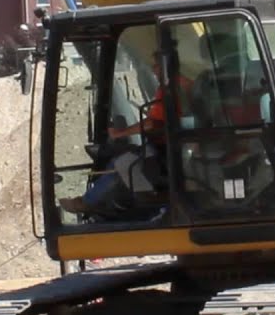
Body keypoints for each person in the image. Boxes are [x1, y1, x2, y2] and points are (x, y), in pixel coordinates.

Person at [60, 56, 191, 217]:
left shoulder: (170, 90)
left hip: (169, 147)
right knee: (122, 160)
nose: (153, 69)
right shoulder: (181, 85)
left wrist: (120, 133)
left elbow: (153, 124)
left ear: (166, 65)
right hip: (173, 143)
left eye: (156, 65)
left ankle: (92, 203)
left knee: (124, 163)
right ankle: (98, 202)